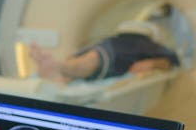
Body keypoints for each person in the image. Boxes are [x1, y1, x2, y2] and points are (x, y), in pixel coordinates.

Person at [30, 20, 180, 83]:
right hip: (113, 50)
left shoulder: (148, 44)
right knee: (96, 57)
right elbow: (172, 60)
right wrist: (153, 63)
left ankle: (60, 68)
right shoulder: (151, 46)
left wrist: (152, 63)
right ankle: (60, 68)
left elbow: (171, 61)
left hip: (107, 46)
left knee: (93, 56)